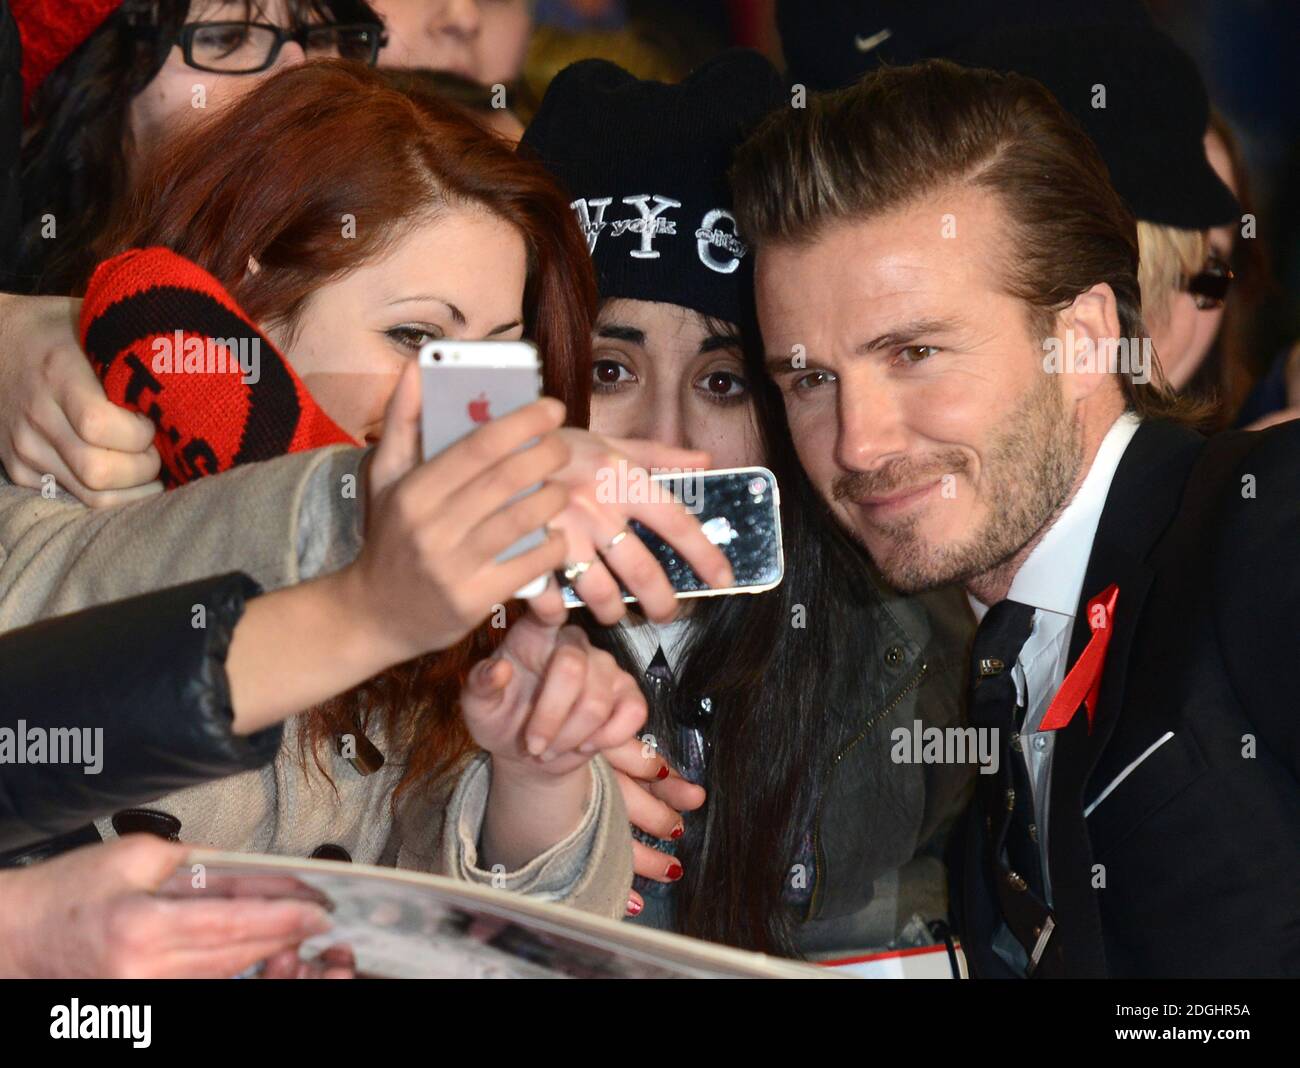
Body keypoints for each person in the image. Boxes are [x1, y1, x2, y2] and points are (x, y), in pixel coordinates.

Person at [732, 59, 1300, 977]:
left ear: (1080, 341)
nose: (856, 443)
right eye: (809, 380)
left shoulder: (1265, 521)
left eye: (916, 351)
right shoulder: (999, 663)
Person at [522, 51, 974, 956]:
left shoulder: (923, 664)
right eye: (611, 370)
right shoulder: (431, 650)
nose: (669, 439)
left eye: (725, 381)